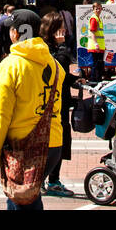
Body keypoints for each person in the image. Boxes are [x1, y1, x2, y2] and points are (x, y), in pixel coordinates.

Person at [0, 8, 65, 210]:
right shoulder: (55, 65)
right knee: (25, 198)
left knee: (21, 199)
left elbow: (0, 117)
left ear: (16, 33)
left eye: (11, 29)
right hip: (53, 143)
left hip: (24, 147)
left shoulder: (11, 65)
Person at [40, 10, 77, 197]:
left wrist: (76, 80)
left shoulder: (52, 47)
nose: (64, 29)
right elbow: (58, 70)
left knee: (60, 140)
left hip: (60, 100)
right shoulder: (47, 49)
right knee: (53, 141)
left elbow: (63, 76)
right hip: (52, 102)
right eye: (60, 26)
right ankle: (47, 180)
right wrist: (63, 48)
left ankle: (53, 179)